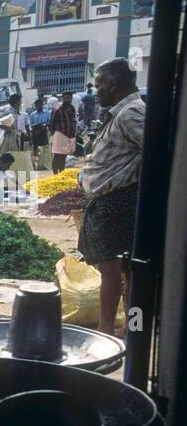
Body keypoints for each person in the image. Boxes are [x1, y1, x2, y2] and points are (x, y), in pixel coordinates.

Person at [79, 58, 145, 336]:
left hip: (119, 201)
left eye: (98, 86)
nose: (96, 92)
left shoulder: (131, 112)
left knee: (113, 268)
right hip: (111, 201)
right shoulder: (121, 111)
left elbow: (157, 151)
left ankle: (107, 328)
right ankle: (132, 329)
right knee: (126, 269)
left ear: (112, 83)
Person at [48, 91, 77, 174]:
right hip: (60, 134)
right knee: (57, 155)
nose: (67, 100)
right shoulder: (58, 108)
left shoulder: (72, 108)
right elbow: (52, 123)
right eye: (65, 99)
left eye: (68, 98)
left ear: (71, 98)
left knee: (64, 156)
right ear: (62, 99)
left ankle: (61, 173)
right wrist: (53, 135)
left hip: (69, 135)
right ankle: (55, 174)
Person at [27, 97, 51, 167]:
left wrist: (43, 126)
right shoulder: (32, 114)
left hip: (44, 130)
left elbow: (49, 122)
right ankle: (37, 161)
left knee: (45, 146)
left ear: (42, 105)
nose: (38, 106)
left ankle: (44, 161)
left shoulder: (47, 113)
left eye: (39, 105)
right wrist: (35, 128)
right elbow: (30, 124)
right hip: (35, 131)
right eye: (36, 105)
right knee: (35, 146)